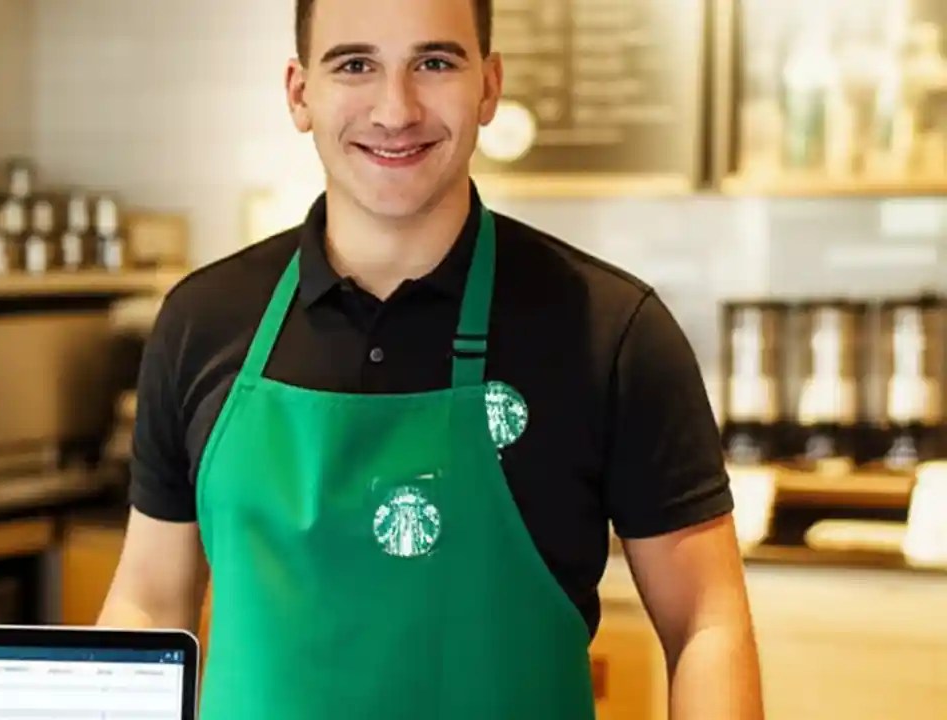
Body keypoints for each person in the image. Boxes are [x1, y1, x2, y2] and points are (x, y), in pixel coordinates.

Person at [98, 0, 765, 716]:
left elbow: (705, 623)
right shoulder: (201, 322)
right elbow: (149, 603)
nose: (396, 109)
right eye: (356, 64)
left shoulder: (613, 332)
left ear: (489, 86)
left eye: (435, 63)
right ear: (299, 93)